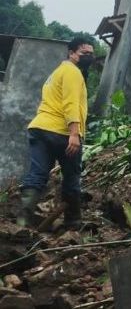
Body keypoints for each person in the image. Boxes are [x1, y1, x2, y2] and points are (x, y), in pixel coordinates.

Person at [18, 37, 95, 229]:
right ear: (71, 53)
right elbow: (70, 104)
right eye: (85, 53)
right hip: (61, 131)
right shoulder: (72, 72)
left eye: (92, 54)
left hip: (40, 128)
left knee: (37, 174)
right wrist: (74, 134)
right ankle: (73, 223)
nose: (89, 57)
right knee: (71, 177)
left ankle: (21, 224)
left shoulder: (55, 73)